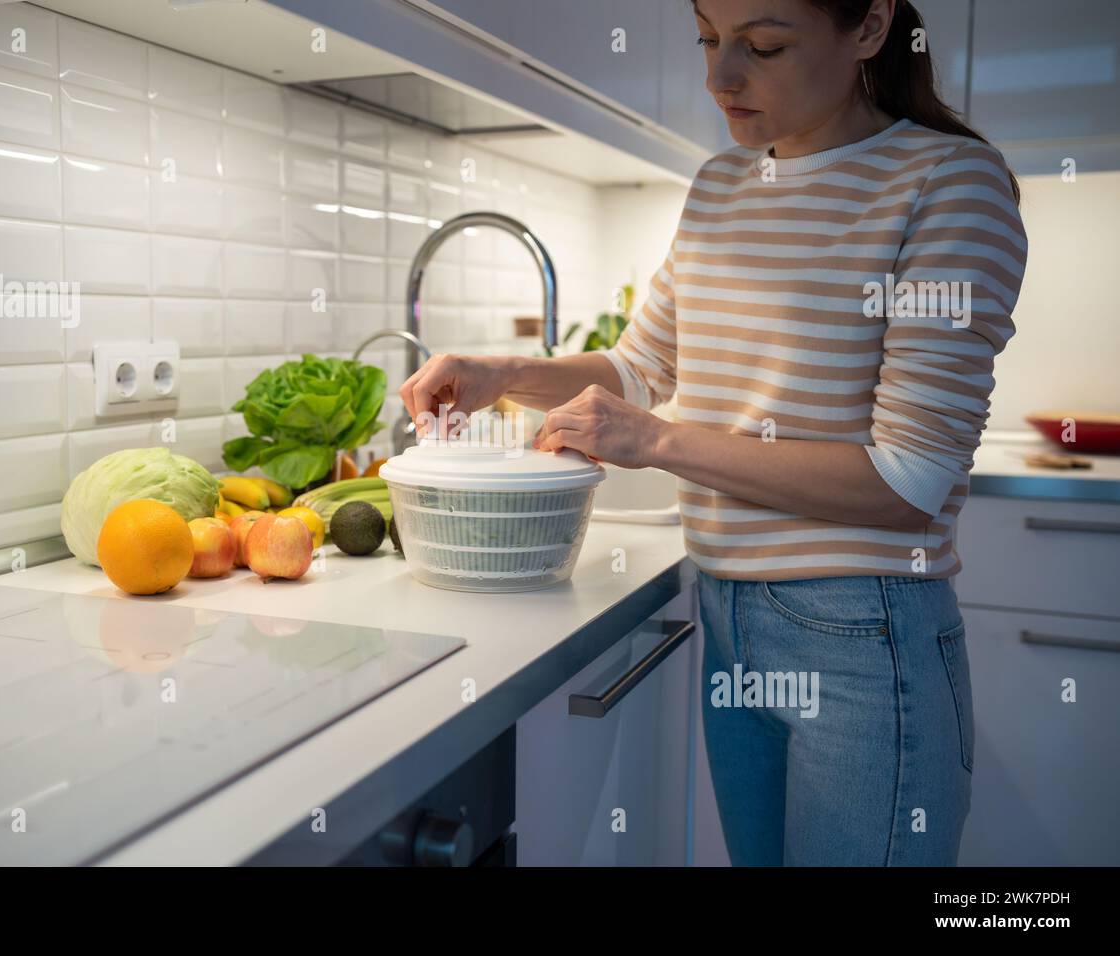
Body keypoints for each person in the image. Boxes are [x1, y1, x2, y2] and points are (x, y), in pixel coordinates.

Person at [399, 0, 1028, 865]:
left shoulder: (950, 182)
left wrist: (655, 440)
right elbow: (636, 371)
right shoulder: (723, 184)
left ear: (872, 27)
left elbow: (906, 483)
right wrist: (504, 375)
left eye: (763, 46)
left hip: (863, 634)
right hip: (731, 613)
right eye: (708, 38)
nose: (718, 77)